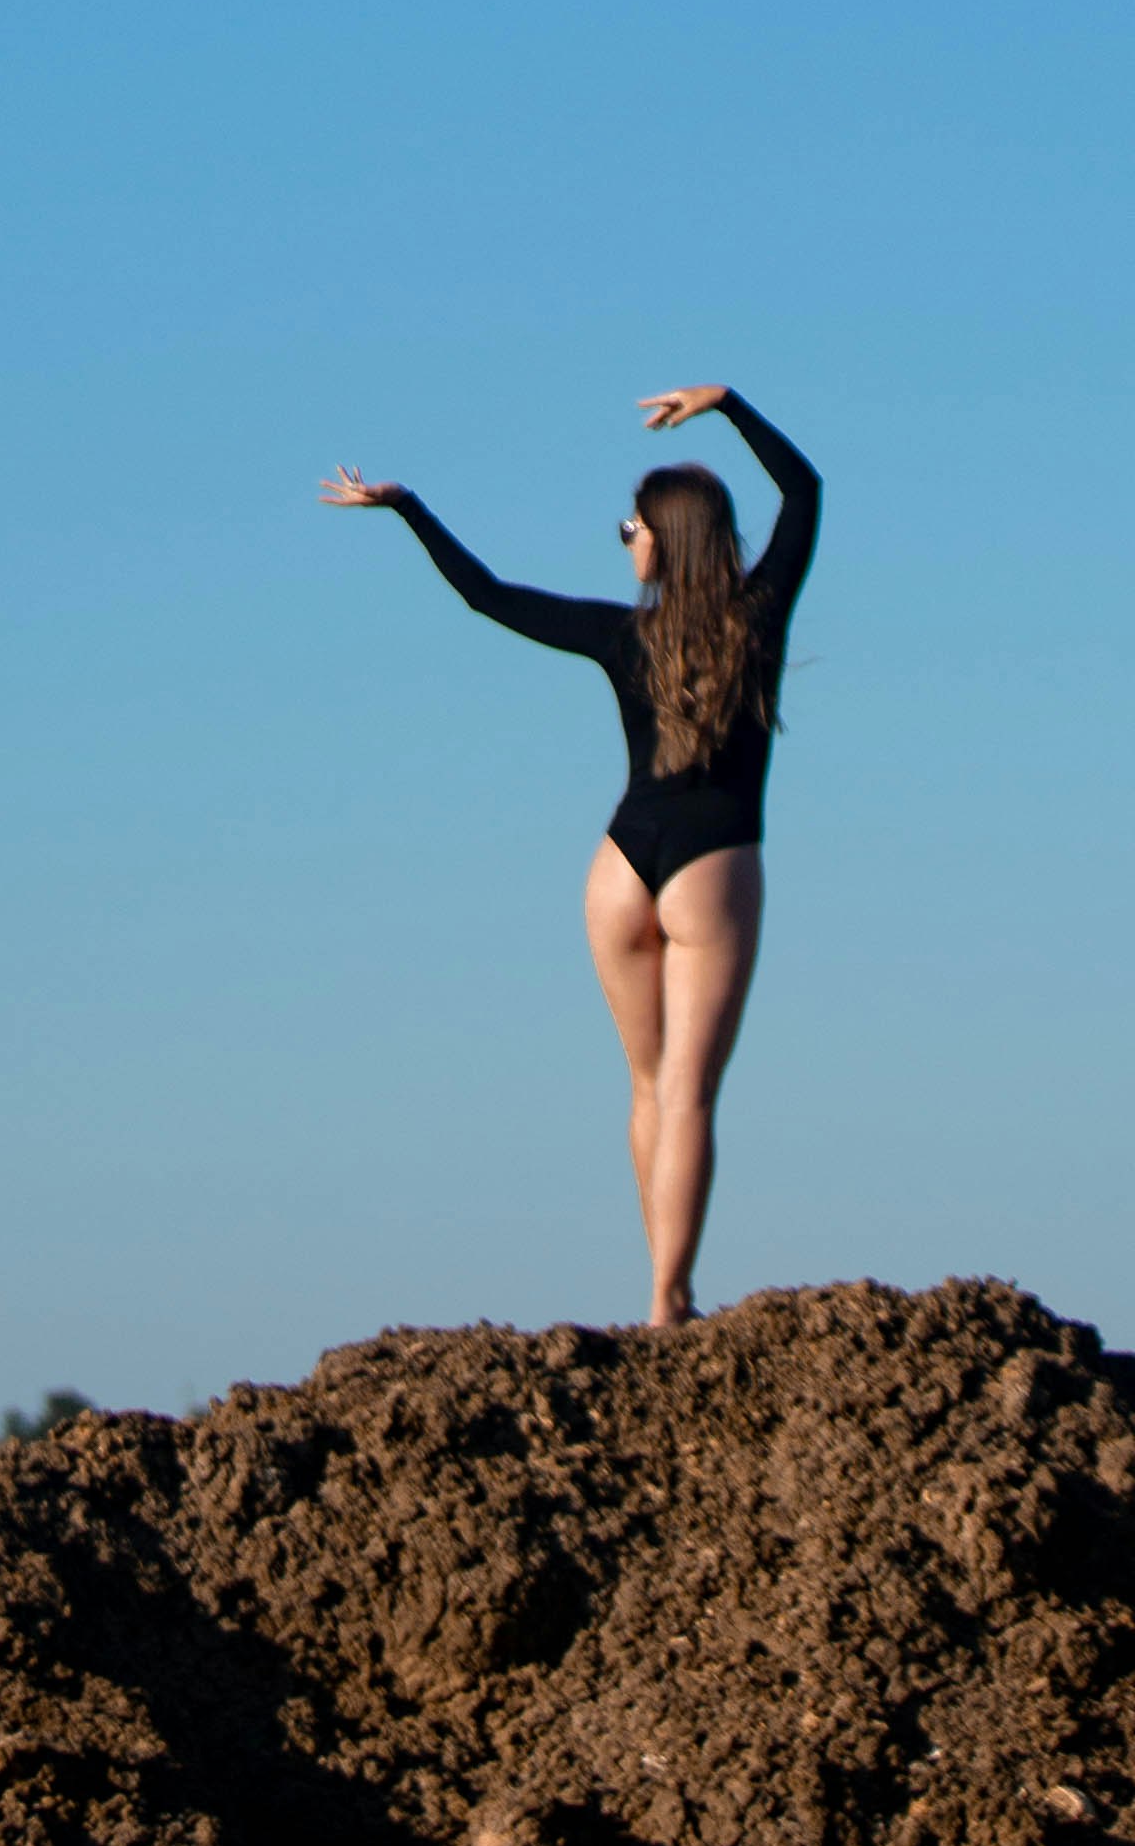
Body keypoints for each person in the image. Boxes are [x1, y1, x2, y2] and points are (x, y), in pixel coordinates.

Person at [322, 385, 819, 1328]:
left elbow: (491, 597)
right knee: (689, 1094)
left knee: (645, 1084)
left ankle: (664, 1283)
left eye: (630, 523)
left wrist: (409, 509)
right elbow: (805, 492)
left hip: (620, 863)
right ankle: (669, 1297)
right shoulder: (759, 616)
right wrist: (731, 408)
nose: (625, 537)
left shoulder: (620, 633)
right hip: (713, 861)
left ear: (665, 536)